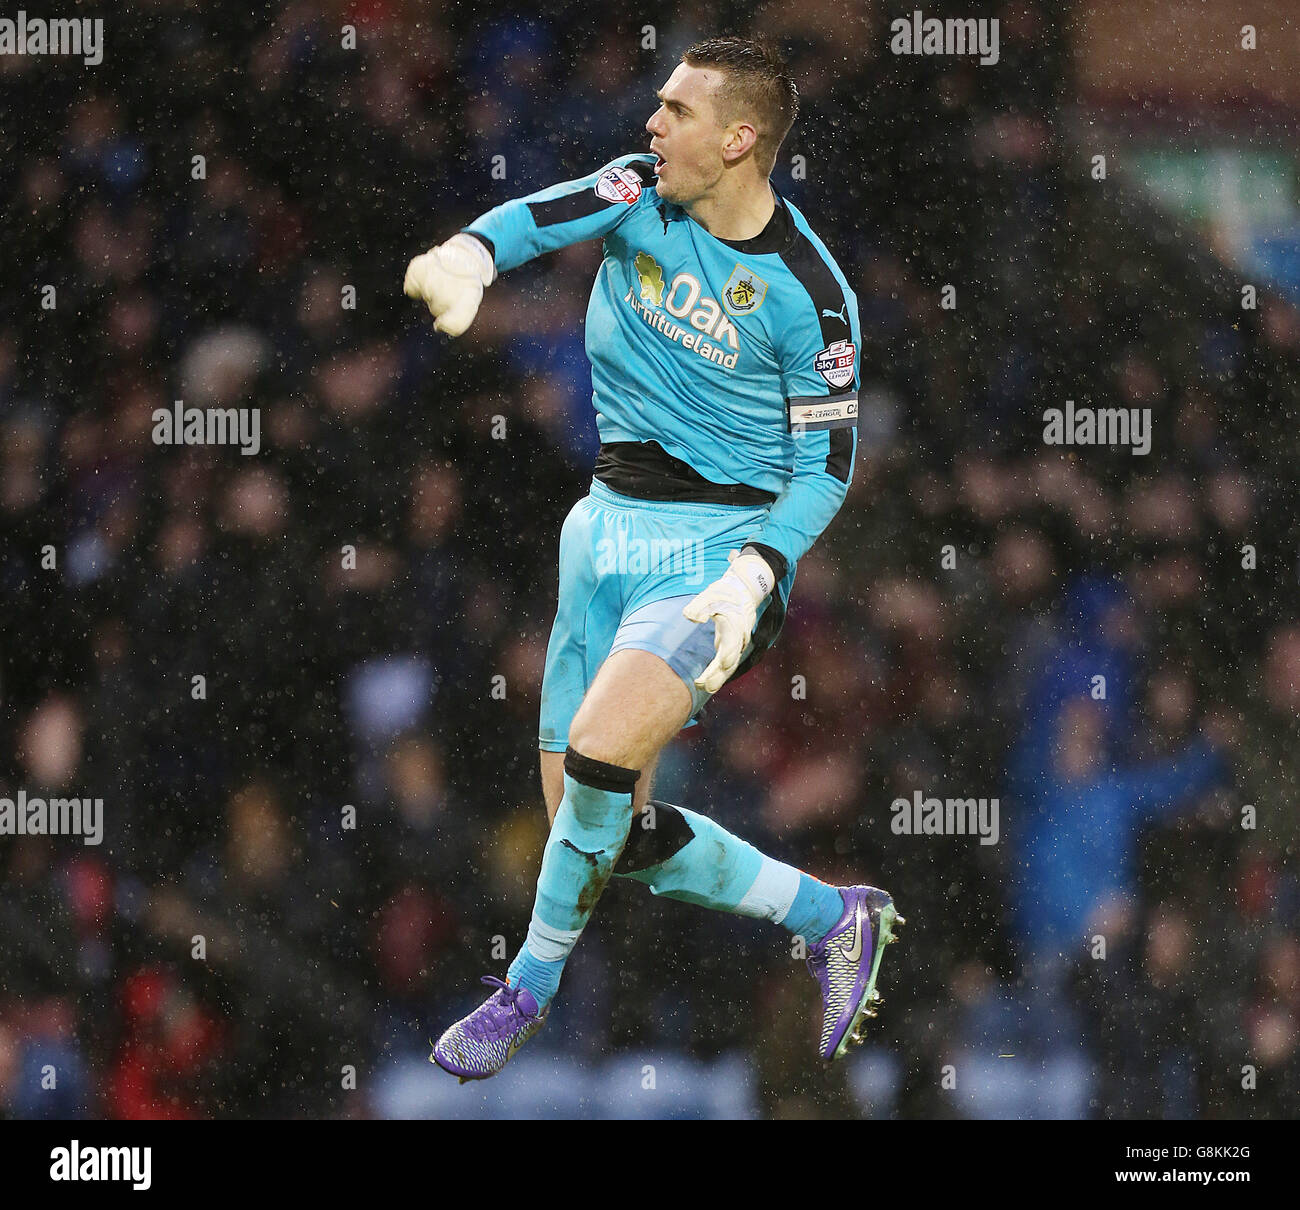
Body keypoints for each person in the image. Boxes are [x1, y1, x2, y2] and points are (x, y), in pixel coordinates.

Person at [404, 35, 902, 1081]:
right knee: (601, 836)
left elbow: (826, 466)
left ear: (740, 138)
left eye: (674, 110)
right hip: (600, 533)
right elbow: (542, 213)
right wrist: (471, 256)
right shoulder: (639, 191)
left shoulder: (808, 292)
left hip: (714, 561)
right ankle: (830, 912)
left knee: (595, 755)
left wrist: (757, 569)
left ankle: (522, 994)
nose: (650, 125)